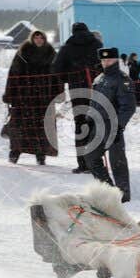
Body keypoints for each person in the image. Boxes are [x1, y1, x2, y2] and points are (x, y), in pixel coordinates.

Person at [0, 29, 58, 165]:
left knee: (42, 127)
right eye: (36, 37)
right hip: (24, 97)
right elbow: (13, 75)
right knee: (20, 127)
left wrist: (57, 93)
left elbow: (57, 77)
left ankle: (41, 155)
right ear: (32, 39)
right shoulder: (22, 53)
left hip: (44, 98)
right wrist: (9, 94)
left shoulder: (51, 54)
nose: (38, 40)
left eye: (41, 38)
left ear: (44, 39)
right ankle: (15, 153)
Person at [52, 21, 103, 174]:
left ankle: (83, 163)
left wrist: (69, 77)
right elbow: (104, 65)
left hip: (78, 90)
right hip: (96, 88)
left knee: (81, 125)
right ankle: (96, 163)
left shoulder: (67, 47)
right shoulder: (97, 44)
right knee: (97, 123)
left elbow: (56, 68)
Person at [89, 46, 139, 202]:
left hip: (113, 125)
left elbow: (129, 107)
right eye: (103, 60)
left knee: (117, 161)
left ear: (116, 60)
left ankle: (123, 195)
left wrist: (118, 126)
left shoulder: (122, 80)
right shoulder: (99, 79)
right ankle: (109, 190)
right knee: (91, 157)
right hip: (98, 126)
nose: (106, 62)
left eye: (109, 59)